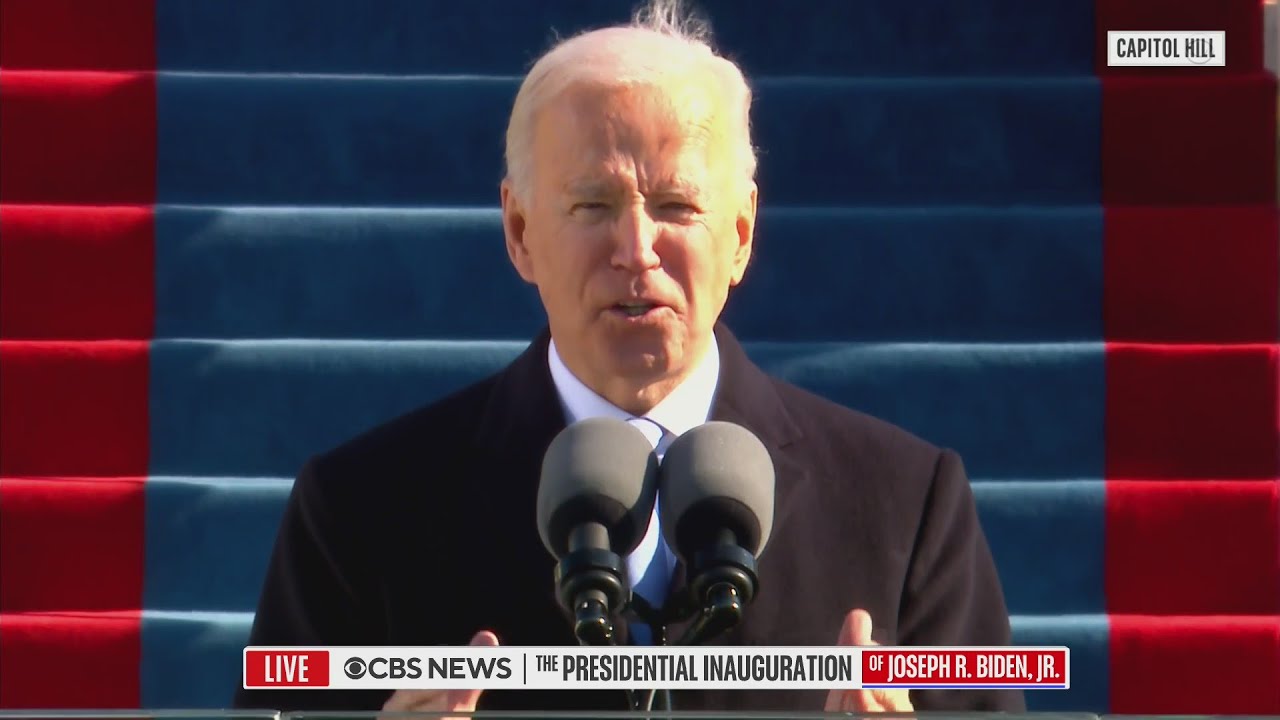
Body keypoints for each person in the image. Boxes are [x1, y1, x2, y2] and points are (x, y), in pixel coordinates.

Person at [234, 0, 1025, 714]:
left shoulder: (905, 507)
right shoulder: (359, 512)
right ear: (519, 232)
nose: (636, 250)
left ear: (741, 234)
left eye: (677, 206)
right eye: (593, 205)